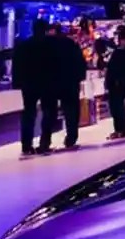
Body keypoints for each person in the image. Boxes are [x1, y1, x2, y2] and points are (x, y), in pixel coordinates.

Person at [39, 23, 88, 150]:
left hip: (49, 84)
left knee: (48, 112)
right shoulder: (70, 44)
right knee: (71, 111)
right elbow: (80, 62)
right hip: (69, 83)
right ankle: (71, 139)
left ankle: (45, 141)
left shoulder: (43, 46)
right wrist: (79, 78)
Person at [12, 19, 51, 155]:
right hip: (46, 83)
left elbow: (17, 66)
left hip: (28, 84)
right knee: (48, 112)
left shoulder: (24, 46)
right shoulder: (49, 46)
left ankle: (26, 145)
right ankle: (44, 143)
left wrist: (17, 83)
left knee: (28, 114)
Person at [105, 31, 125, 140]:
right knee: (117, 106)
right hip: (117, 84)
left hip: (119, 84)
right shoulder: (121, 52)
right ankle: (120, 129)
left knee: (118, 107)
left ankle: (122, 128)